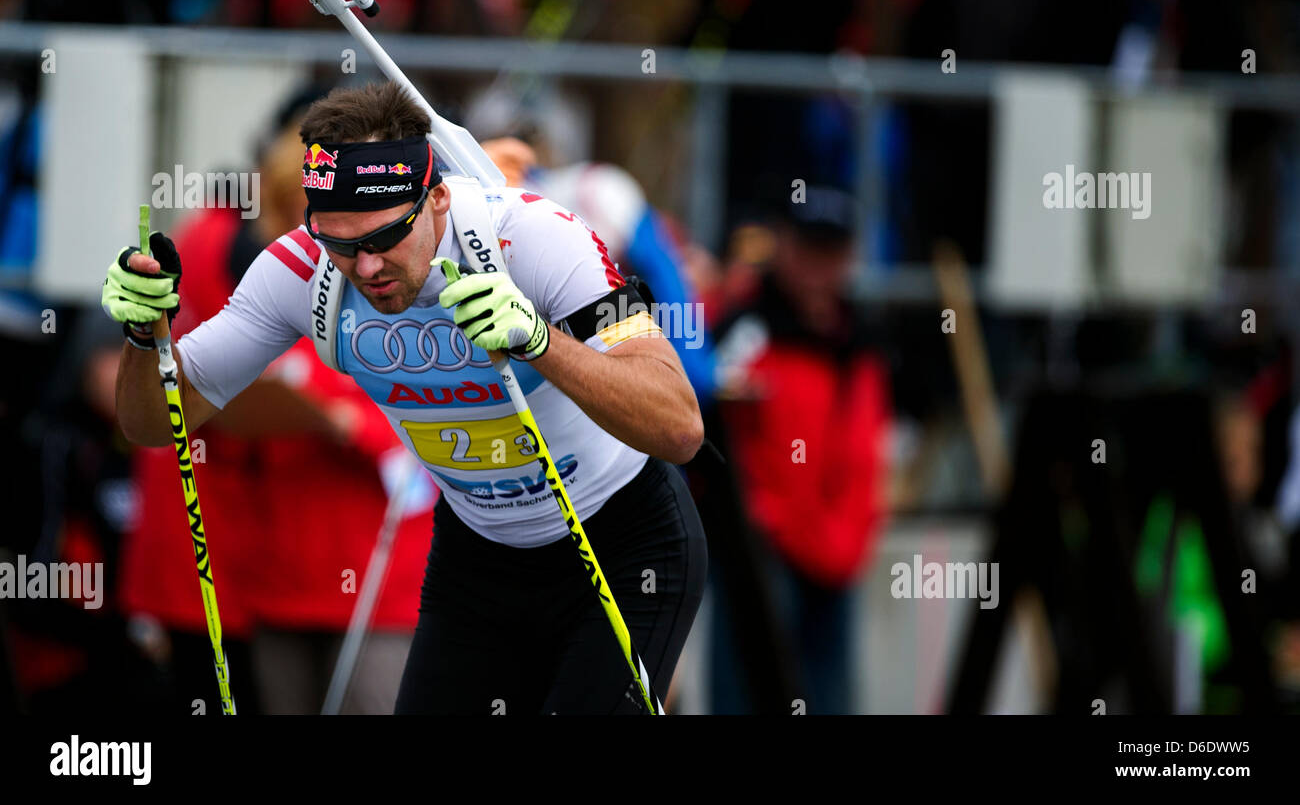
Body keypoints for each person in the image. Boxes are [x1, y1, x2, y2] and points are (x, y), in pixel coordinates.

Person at [101, 81, 707, 714]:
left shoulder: (536, 239)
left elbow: (680, 426)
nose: (364, 268)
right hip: (480, 552)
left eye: (383, 237)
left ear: (437, 200)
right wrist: (144, 338)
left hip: (620, 540)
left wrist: (538, 340)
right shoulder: (297, 271)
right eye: (339, 242)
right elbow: (152, 422)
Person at [710, 186, 891, 714]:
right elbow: (701, 427)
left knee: (828, 698)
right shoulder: (744, 327)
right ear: (782, 246)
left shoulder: (863, 339)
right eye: (808, 247)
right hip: (761, 554)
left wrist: (847, 536)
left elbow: (868, 451)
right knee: (746, 692)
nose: (819, 265)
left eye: (831, 250)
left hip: (840, 555)